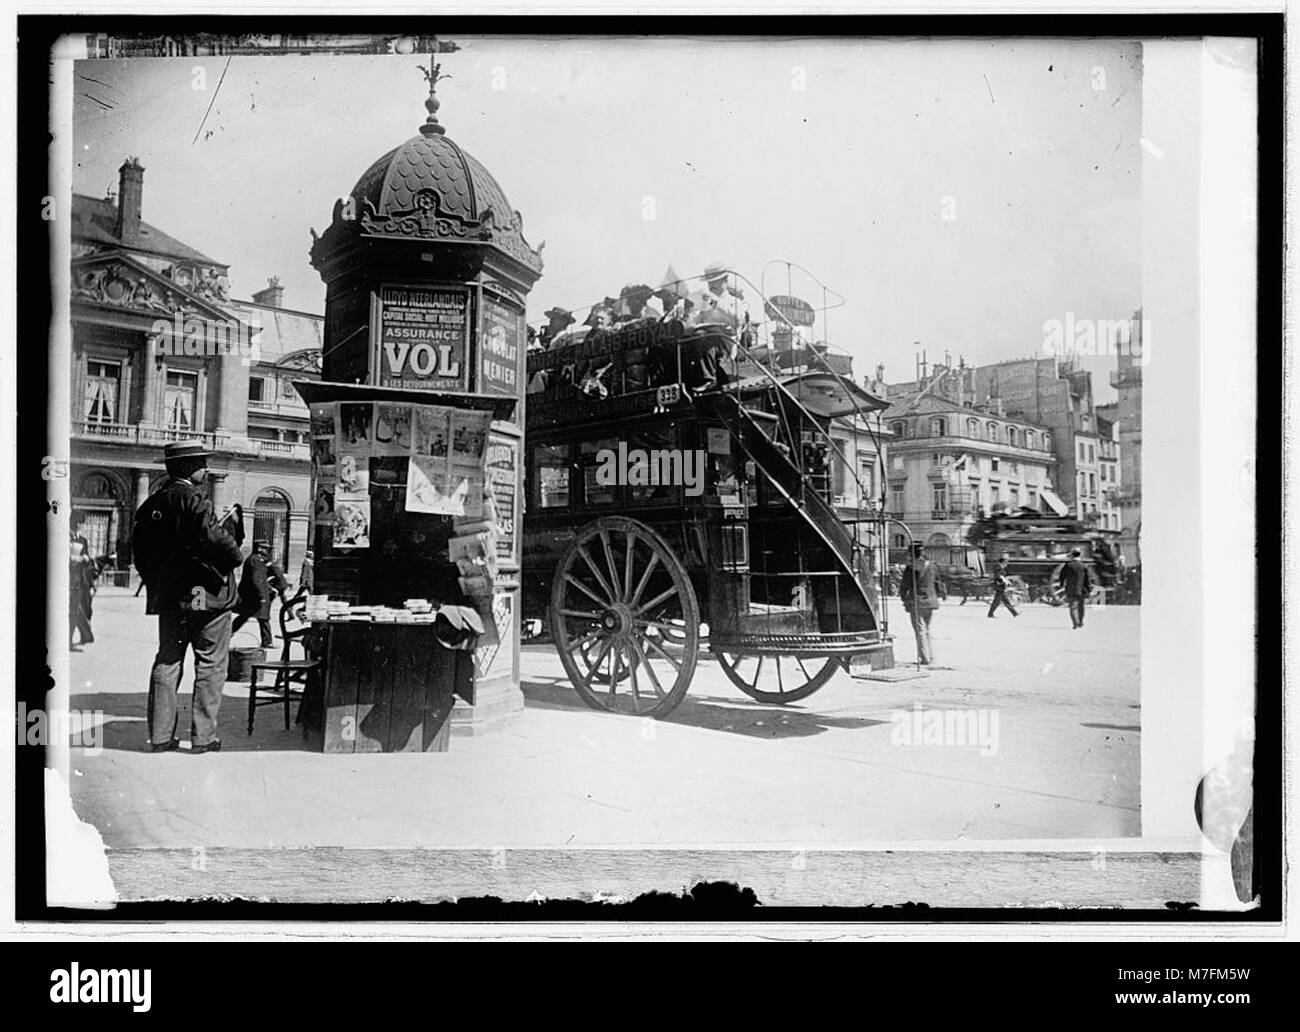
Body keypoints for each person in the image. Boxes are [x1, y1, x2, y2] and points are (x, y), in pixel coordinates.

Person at [131, 441, 244, 754]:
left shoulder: (151, 503)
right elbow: (213, 537)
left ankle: (160, 736)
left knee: (167, 662)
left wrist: (158, 582)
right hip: (205, 596)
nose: (206, 469)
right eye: (202, 464)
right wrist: (236, 556)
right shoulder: (195, 499)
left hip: (171, 599)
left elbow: (140, 553)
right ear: (189, 468)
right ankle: (203, 737)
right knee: (210, 663)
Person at [232, 540, 289, 648]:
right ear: (260, 549)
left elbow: (274, 573)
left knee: (254, 617)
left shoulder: (260, 560)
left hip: (254, 594)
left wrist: (271, 564)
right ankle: (267, 641)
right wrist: (262, 596)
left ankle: (266, 641)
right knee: (259, 617)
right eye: (266, 549)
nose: (268, 551)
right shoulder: (255, 560)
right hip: (253, 595)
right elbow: (257, 580)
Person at [898, 542, 941, 665]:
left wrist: (904, 599)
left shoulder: (911, 567)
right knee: (926, 629)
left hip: (917, 602)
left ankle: (925, 658)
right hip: (931, 602)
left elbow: (904, 586)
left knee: (920, 630)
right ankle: (930, 656)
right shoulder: (932, 566)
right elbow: (938, 583)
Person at [69, 539, 97, 646]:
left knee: (84, 609)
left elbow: (88, 562)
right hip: (69, 579)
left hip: (81, 580)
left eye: (81, 521)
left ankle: (85, 635)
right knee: (74, 610)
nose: (78, 524)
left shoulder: (83, 540)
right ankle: (84, 635)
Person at [1058, 548, 1094, 629]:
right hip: (1082, 589)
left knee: (1073, 607)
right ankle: (1080, 621)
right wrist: (1089, 590)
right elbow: (1087, 579)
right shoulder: (1084, 566)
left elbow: (1062, 576)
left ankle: (1075, 623)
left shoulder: (1068, 565)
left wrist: (1061, 584)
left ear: (1072, 555)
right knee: (1081, 607)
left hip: (1071, 589)